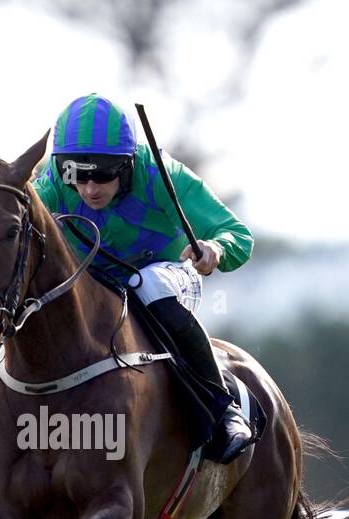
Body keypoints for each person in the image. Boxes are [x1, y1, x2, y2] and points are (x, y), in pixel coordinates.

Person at [32, 93, 256, 464]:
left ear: (127, 164)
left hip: (163, 277)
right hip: (92, 285)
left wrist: (215, 249)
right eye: (76, 173)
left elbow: (237, 234)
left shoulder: (160, 175)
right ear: (60, 166)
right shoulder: (51, 186)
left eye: (103, 174)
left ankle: (222, 409)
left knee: (146, 284)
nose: (89, 188)